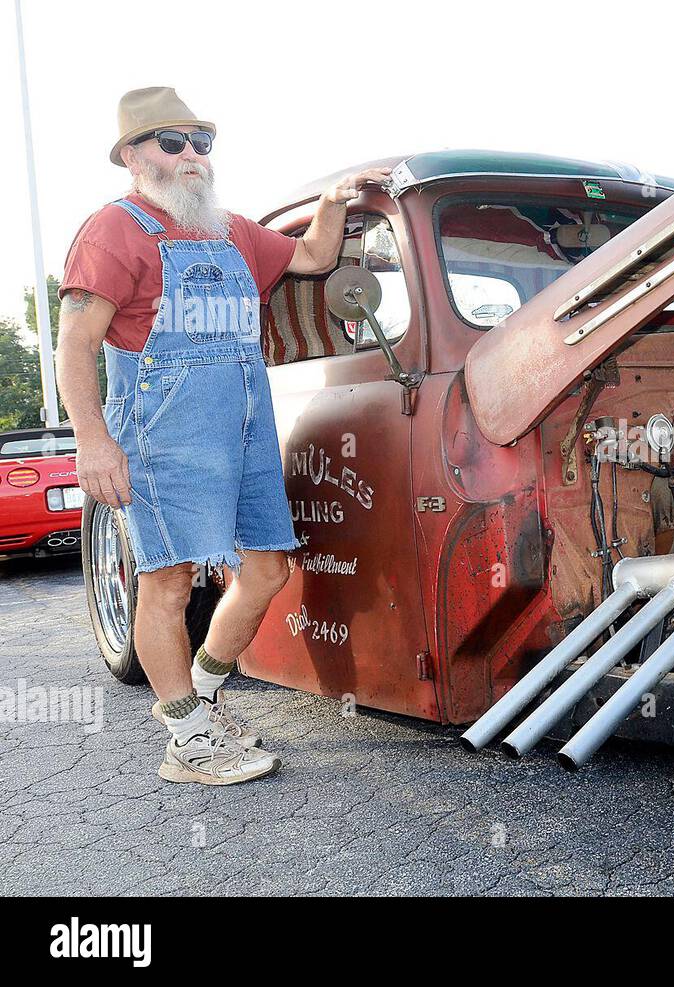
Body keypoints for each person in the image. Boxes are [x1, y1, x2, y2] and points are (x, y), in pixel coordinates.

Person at [55, 86, 390, 785]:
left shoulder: (232, 231)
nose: (191, 156)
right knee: (169, 582)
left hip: (245, 430)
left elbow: (313, 258)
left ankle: (201, 695)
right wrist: (92, 437)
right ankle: (186, 741)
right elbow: (74, 342)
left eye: (200, 143)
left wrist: (333, 204)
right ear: (131, 155)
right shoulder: (111, 230)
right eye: (171, 143)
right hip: (161, 434)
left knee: (268, 567)